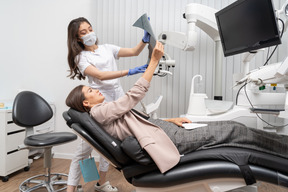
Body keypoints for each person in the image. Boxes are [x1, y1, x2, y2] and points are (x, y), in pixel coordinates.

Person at [66, 41, 288, 174]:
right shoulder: (98, 112)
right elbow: (133, 96)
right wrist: (153, 62)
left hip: (164, 131)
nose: (96, 90)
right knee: (235, 130)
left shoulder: (104, 111)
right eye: (91, 91)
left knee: (233, 128)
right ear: (86, 103)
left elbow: (139, 119)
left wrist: (171, 121)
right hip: (166, 140)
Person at [66, 17, 151, 192]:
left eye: (90, 29)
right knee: (83, 152)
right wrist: (130, 71)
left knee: (109, 146)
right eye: (84, 32)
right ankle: (70, 189)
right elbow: (101, 76)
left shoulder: (107, 48)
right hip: (97, 103)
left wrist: (145, 39)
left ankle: (101, 183)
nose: (89, 33)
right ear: (77, 38)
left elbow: (135, 51)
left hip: (117, 98)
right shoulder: (80, 58)